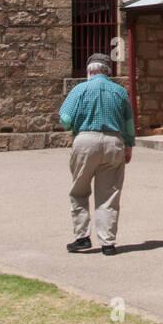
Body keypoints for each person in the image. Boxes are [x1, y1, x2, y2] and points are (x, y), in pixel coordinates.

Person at [59, 52, 135, 255]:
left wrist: (76, 123)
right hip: (114, 141)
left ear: (89, 71)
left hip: (85, 140)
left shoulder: (79, 89)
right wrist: (128, 146)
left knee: (79, 190)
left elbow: (65, 118)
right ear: (108, 71)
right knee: (109, 194)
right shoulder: (120, 91)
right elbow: (129, 123)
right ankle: (108, 242)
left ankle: (82, 237)